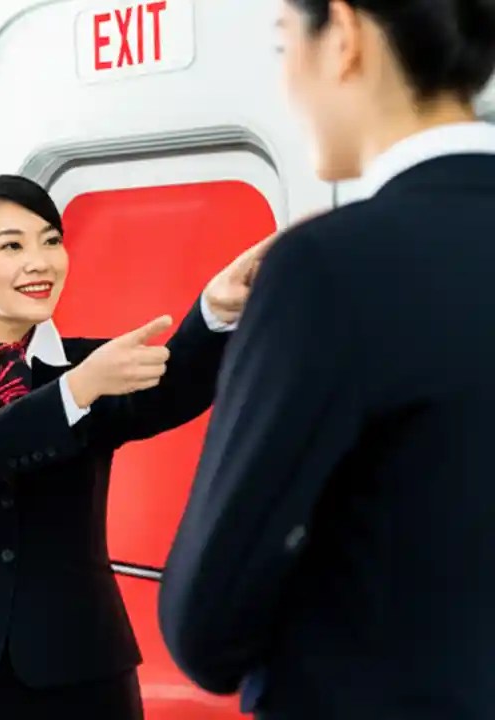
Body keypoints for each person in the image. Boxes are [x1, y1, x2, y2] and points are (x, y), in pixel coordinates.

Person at [158, 1, 495, 718]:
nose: (286, 81)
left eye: (285, 44)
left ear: (342, 37)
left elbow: (203, 626)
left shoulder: (328, 268)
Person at [0, 174, 272, 719]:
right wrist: (77, 388)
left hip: (80, 648)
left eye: (50, 241)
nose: (40, 261)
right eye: (12, 245)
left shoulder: (91, 361)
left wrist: (214, 311)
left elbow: (174, 389)